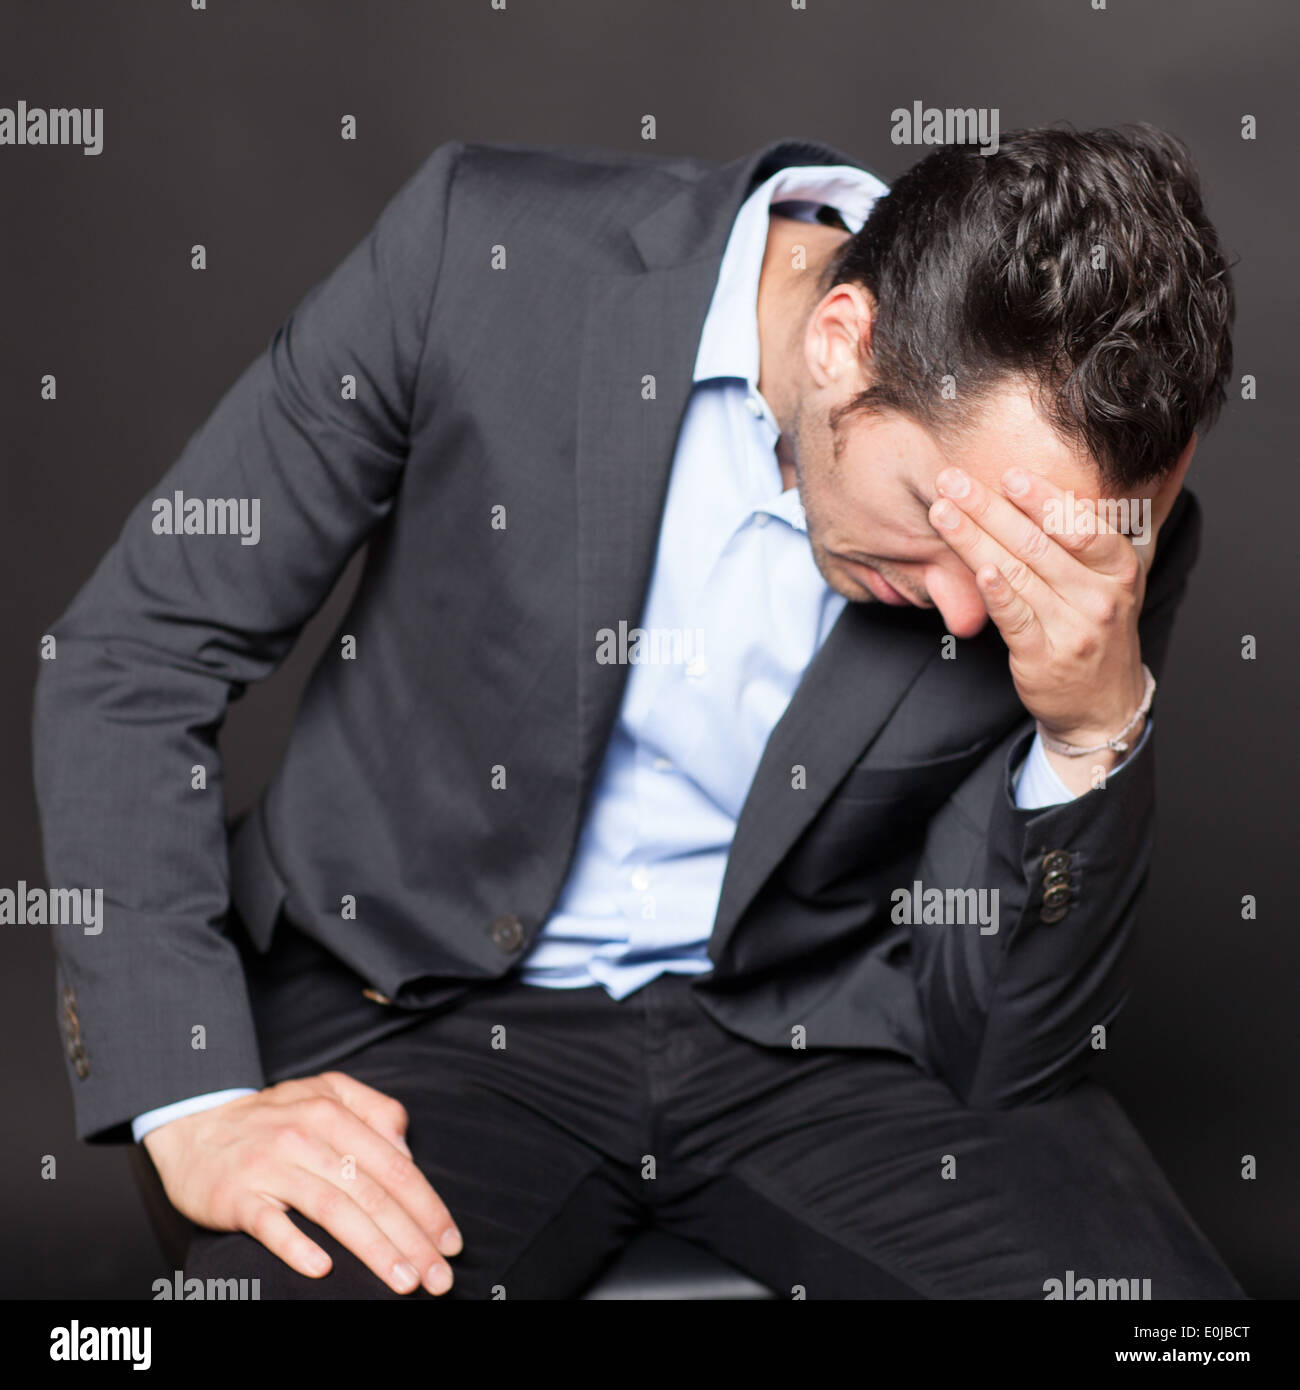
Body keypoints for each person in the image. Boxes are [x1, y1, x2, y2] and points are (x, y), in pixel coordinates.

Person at [34, 125, 1244, 1298]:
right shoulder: (479, 254)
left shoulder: (1099, 565)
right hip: (412, 1010)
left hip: (827, 1036)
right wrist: (189, 1101)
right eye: (948, 521)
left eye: (1025, 561)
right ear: (840, 340)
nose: (975, 615)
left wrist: (1090, 730)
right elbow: (139, 651)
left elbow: (1008, 1052)